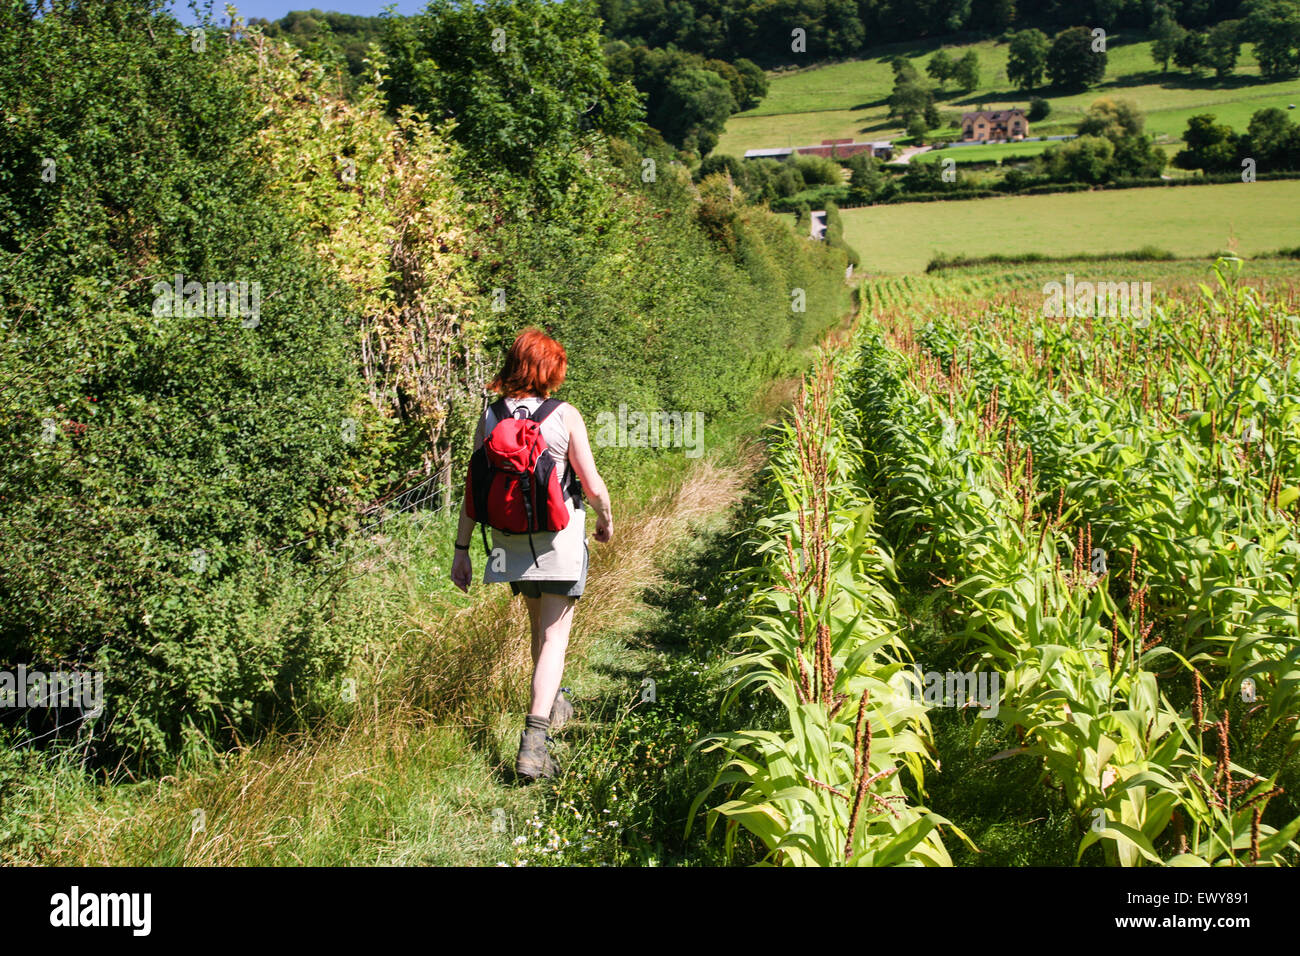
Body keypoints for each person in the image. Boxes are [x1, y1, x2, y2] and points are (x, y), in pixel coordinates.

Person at [450, 328, 613, 781]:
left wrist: (461, 550)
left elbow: (473, 489)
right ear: (549, 371)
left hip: (509, 544)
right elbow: (593, 484)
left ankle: (553, 702)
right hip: (559, 543)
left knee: (536, 630)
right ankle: (534, 744)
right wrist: (606, 519)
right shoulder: (565, 415)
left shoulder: (492, 416)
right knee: (555, 638)